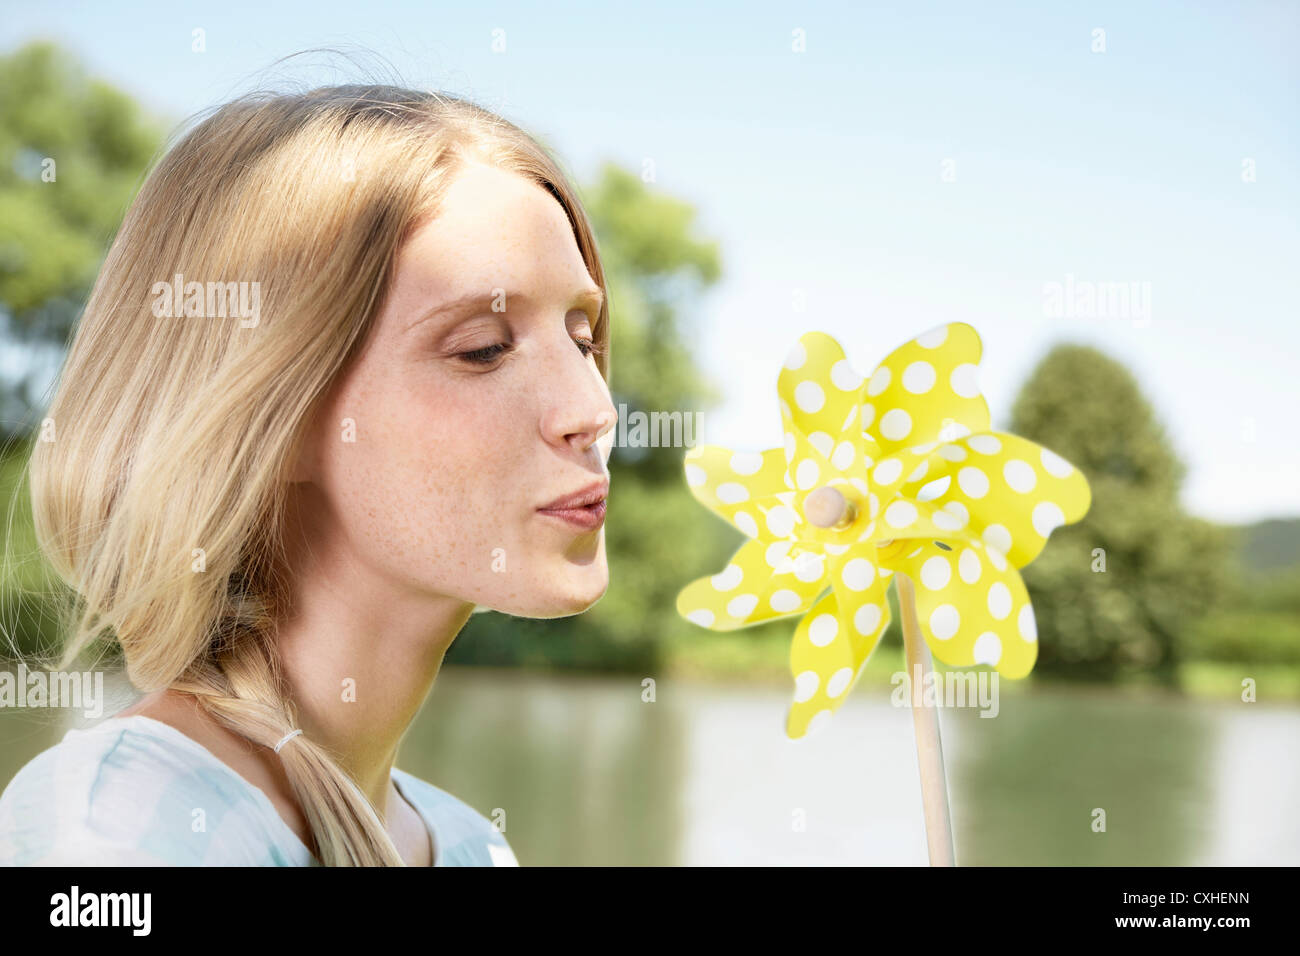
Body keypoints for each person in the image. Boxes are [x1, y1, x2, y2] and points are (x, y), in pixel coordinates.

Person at [0, 84, 617, 866]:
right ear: (269, 421)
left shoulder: (473, 846)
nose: (593, 407)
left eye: (583, 337)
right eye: (483, 348)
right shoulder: (116, 830)